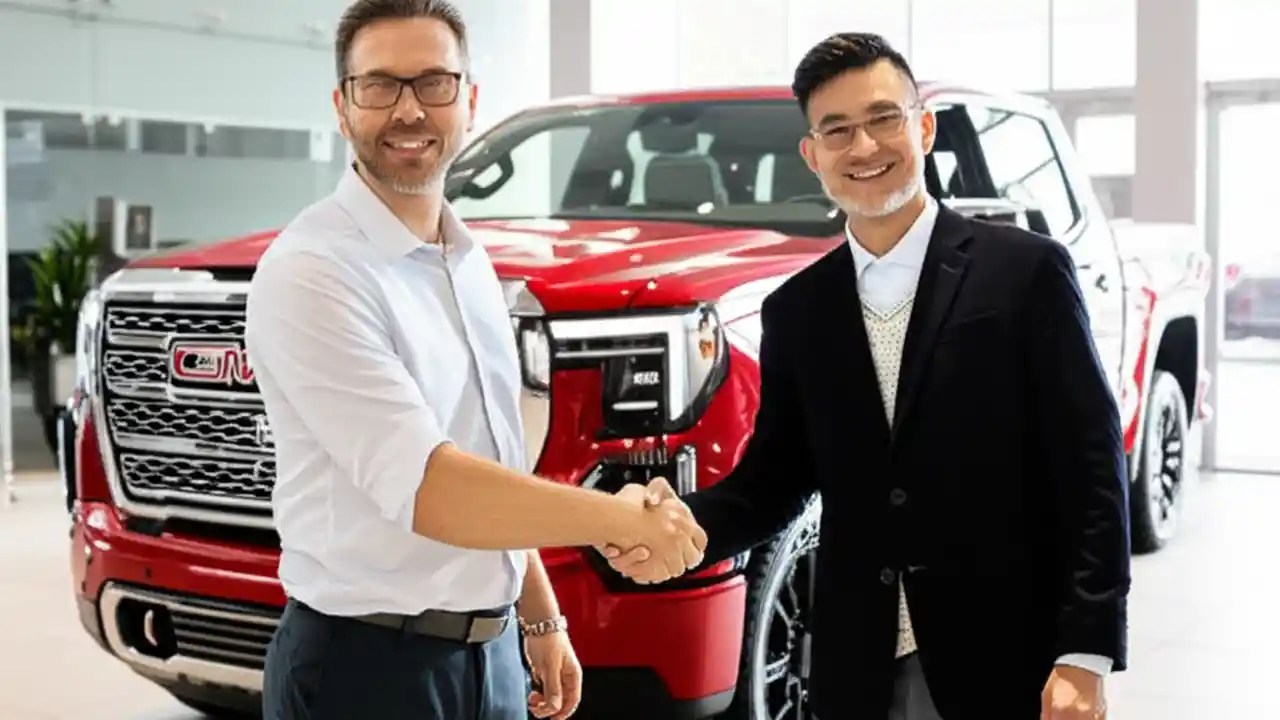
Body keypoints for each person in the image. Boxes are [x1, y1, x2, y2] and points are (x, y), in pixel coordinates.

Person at [602, 32, 1129, 720]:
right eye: (837, 130)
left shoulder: (1025, 273)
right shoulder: (797, 309)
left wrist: (1083, 652)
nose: (864, 148)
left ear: (924, 127)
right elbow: (773, 483)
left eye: (884, 119)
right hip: (858, 665)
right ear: (812, 154)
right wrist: (680, 531)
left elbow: (1091, 469)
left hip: (1006, 654)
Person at [243, 1, 706, 718]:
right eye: (379, 86)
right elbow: (434, 488)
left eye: (433, 83)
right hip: (364, 672)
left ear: (469, 100)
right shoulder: (313, 272)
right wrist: (618, 519)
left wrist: (538, 613)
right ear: (342, 107)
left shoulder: (467, 262)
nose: (407, 110)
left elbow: (490, 456)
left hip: (487, 659)